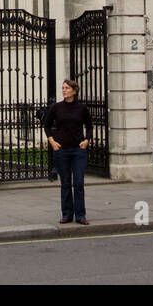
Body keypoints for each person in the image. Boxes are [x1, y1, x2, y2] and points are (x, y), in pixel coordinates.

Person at [43, 78, 92, 225]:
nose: (64, 90)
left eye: (67, 88)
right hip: (62, 150)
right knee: (65, 183)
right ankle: (67, 214)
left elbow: (89, 126)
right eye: (63, 88)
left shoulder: (82, 108)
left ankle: (81, 215)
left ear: (74, 91)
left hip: (78, 150)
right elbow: (46, 125)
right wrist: (52, 142)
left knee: (78, 183)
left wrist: (87, 140)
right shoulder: (57, 108)